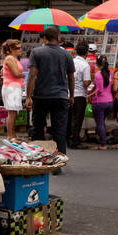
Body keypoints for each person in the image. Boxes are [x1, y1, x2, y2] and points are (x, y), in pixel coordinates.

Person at [24, 25, 73, 155]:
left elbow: (32, 75)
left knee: (38, 128)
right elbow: (71, 77)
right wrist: (71, 96)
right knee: (59, 130)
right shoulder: (66, 54)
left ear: (44, 38)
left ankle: (37, 157)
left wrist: (28, 96)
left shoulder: (37, 52)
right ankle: (60, 158)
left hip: (41, 96)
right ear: (58, 37)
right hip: (61, 96)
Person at [66, 44, 94, 149]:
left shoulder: (71, 62)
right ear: (86, 53)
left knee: (68, 118)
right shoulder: (85, 65)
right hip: (79, 95)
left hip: (68, 93)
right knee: (77, 119)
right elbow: (86, 83)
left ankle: (67, 139)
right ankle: (75, 141)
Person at [0, 40, 26, 142]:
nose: (20, 50)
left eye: (20, 48)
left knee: (13, 112)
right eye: (18, 48)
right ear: (11, 49)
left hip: (14, 86)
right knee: (12, 113)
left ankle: (12, 134)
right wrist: (25, 75)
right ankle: (11, 136)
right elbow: (15, 73)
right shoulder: (10, 58)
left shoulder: (13, 58)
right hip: (11, 87)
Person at [89, 56, 114, 149]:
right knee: (102, 122)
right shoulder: (110, 73)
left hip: (99, 102)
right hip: (109, 101)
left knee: (99, 123)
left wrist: (90, 95)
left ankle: (103, 144)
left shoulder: (98, 75)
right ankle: (101, 139)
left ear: (97, 64)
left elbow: (99, 90)